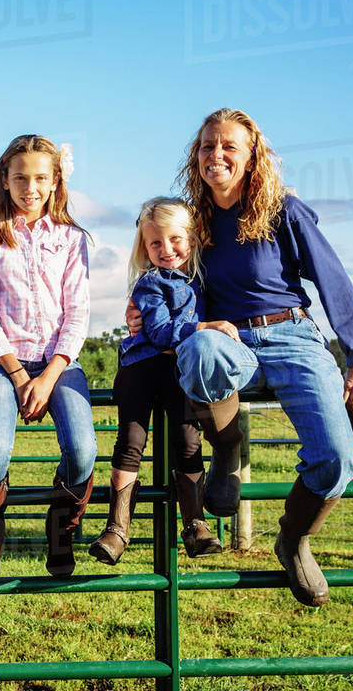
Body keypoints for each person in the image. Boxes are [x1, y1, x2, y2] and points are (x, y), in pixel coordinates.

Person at [132, 109, 353, 607]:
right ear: (195, 156)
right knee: (198, 349)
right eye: (206, 146)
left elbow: (332, 279)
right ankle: (227, 450)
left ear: (251, 156)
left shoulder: (282, 210)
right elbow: (168, 273)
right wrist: (142, 308)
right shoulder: (192, 220)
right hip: (227, 340)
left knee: (335, 458)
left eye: (228, 147)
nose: (215, 155)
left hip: (292, 336)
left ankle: (294, 539)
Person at [0, 135, 95, 579]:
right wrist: (20, 374)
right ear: (4, 179)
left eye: (41, 177)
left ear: (56, 180)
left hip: (59, 363)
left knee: (82, 449)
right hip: (3, 364)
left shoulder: (71, 238)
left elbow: (77, 311)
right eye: (20, 177)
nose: (30, 187)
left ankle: (62, 529)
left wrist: (49, 374)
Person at [90, 196, 236, 564]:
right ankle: (117, 527)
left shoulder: (204, 280)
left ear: (191, 238)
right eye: (155, 243)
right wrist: (205, 326)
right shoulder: (149, 284)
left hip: (179, 373)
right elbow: (157, 332)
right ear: (144, 247)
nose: (166, 249)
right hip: (143, 369)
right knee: (131, 441)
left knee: (188, 441)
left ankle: (194, 524)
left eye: (175, 240)